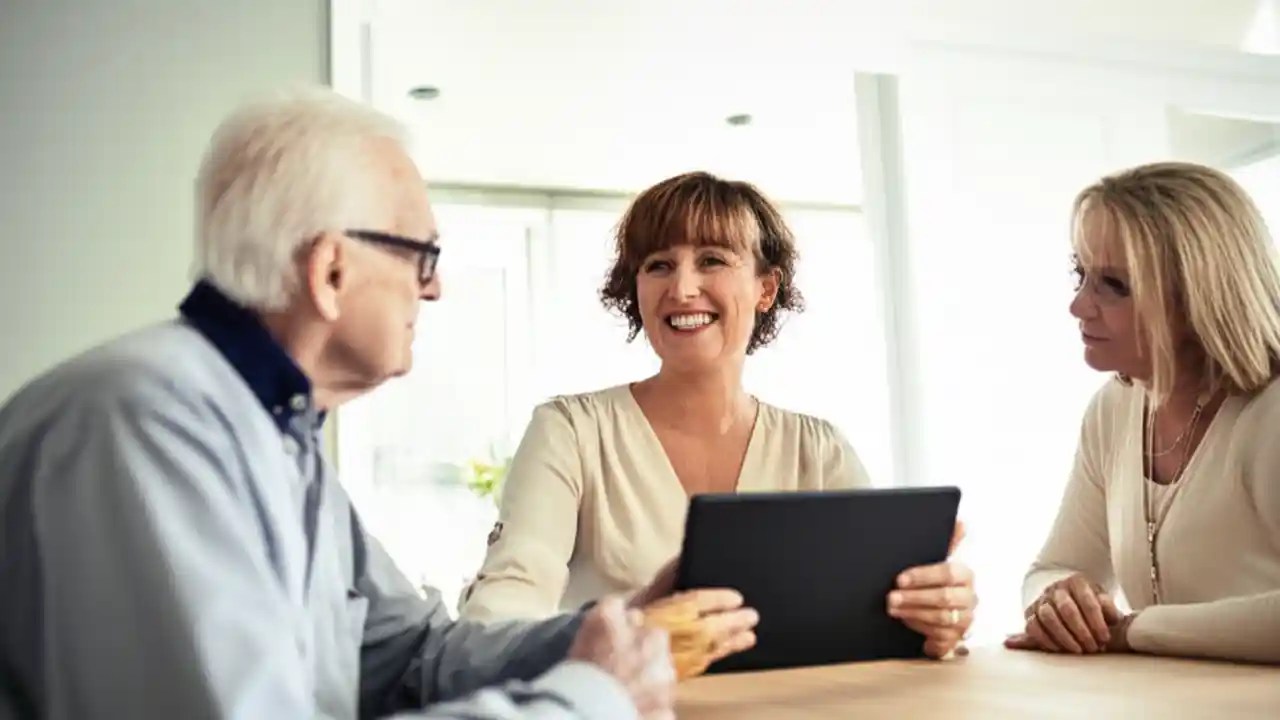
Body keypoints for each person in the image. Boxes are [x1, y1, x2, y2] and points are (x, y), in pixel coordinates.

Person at [0, 88, 759, 719]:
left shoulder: (278, 438)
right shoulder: (143, 423)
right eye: (421, 255)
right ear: (331, 269)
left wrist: (610, 632)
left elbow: (416, 656)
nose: (434, 287)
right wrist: (590, 698)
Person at [458, 171, 976, 660]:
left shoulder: (818, 452)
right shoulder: (571, 430)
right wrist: (632, 626)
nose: (682, 289)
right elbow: (500, 615)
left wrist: (929, 618)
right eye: (658, 264)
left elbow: (872, 621)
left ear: (765, 289)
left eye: (711, 260)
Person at [1006, 161, 1280, 664]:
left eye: (1112, 285)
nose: (1078, 306)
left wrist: (1131, 631)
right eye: (1080, 274)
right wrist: (1058, 601)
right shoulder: (1113, 409)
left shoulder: (1271, 414)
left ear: (1199, 294)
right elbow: (1056, 567)